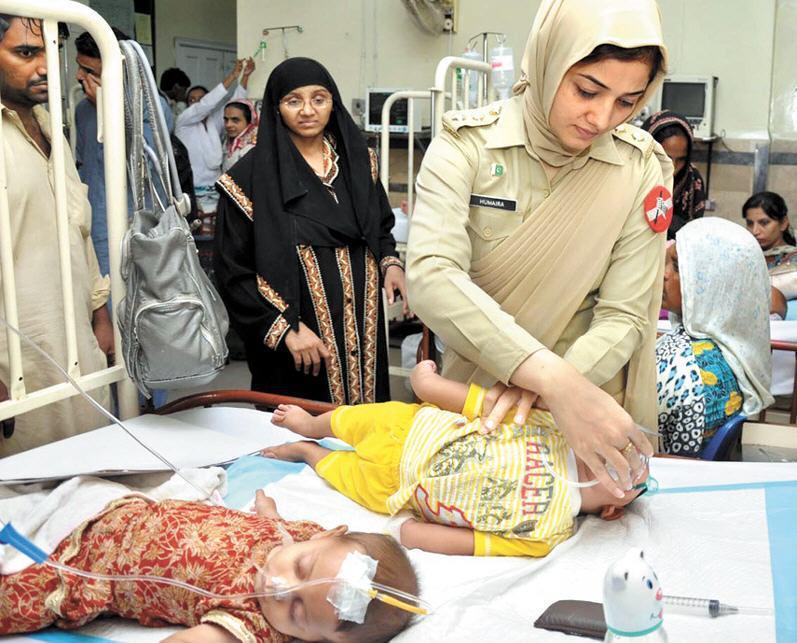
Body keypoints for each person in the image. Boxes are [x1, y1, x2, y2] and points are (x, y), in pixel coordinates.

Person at [405, 0, 672, 498]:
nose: (601, 117)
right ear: (549, 60)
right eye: (587, 90)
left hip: (581, 423)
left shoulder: (640, 170)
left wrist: (558, 389)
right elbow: (431, 276)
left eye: (628, 101)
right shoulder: (465, 145)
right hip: (474, 404)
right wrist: (548, 376)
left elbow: (625, 316)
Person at [263, 360, 650, 557]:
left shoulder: (548, 534)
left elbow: (475, 543)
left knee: (338, 470)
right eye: (620, 446)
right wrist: (427, 386)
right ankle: (312, 428)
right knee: (347, 419)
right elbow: (481, 406)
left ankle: (307, 452)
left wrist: (414, 535)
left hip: (398, 489)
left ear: (613, 510)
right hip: (409, 427)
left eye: (628, 469)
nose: (620, 456)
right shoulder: (555, 428)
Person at [214, 58, 408, 404]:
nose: (307, 110)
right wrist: (286, 328)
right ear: (276, 107)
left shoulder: (360, 164)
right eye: (294, 101)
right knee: (301, 439)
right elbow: (233, 273)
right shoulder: (247, 181)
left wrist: (390, 263)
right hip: (300, 343)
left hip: (365, 330)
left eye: (319, 99)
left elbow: (379, 226)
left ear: (333, 103)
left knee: (364, 438)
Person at [0, 493, 418, 642]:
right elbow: (278, 525)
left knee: (15, 603)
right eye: (302, 567)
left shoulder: (251, 625)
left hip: (91, 569)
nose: (279, 586)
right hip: (131, 512)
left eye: (297, 611)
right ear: (327, 534)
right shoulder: (304, 535)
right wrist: (267, 511)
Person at [0, 15, 112, 455]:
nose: (45, 67)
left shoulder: (50, 127)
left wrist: (101, 316)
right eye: (26, 53)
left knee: (92, 476)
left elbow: (78, 228)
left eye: (51, 52)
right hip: (18, 362)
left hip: (77, 343)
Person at [657, 218, 773, 455]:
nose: (663, 273)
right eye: (665, 261)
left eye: (678, 266)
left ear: (716, 280)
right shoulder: (736, 353)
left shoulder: (682, 368)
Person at [74, 27, 173, 278]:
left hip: (138, 231)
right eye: (79, 67)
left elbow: (144, 169)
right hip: (95, 228)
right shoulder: (83, 111)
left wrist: (108, 110)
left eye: (89, 71)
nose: (79, 76)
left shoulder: (151, 107)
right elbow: (83, 167)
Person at [175, 58, 253, 216]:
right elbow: (204, 106)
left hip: (217, 188)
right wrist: (232, 75)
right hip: (193, 190)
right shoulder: (183, 122)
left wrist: (245, 76)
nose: (197, 103)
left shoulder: (213, 121)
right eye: (192, 100)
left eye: (201, 98)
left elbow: (235, 103)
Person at [641, 110, 706, 240]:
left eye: (682, 159)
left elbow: (693, 235)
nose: (673, 167)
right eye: (666, 158)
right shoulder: (633, 176)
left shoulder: (693, 181)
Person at [742, 191, 797, 301]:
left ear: (783, 223)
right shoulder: (744, 257)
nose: (755, 231)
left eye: (764, 223)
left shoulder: (794, 259)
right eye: (750, 223)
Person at [222, 98, 258, 172]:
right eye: (226, 120)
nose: (228, 125)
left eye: (235, 120)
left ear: (249, 122)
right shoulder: (228, 142)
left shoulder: (254, 147)